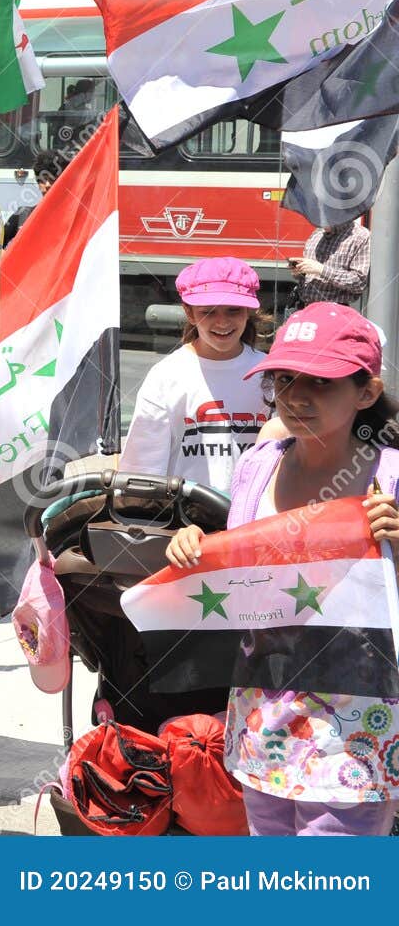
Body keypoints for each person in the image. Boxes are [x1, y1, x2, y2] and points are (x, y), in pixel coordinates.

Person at [165, 303, 399, 835]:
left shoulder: (391, 474)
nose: (296, 396)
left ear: (366, 392)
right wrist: (196, 546)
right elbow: (240, 564)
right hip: (262, 706)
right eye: (284, 378)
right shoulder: (258, 464)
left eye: (320, 381)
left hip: (359, 717)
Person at [118, 258, 269, 492]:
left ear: (249, 310)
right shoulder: (166, 376)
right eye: (208, 312)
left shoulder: (270, 373)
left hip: (255, 520)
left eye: (233, 310)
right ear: (189, 313)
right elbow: (143, 471)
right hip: (184, 521)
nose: (222, 321)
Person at [290, 219, 370, 311]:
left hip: (334, 311)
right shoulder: (317, 234)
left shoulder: (361, 236)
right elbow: (309, 276)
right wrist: (300, 271)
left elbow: (359, 282)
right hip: (304, 308)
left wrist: (321, 270)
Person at [3, 149, 65, 246]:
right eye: (44, 179)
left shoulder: (73, 220)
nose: (48, 184)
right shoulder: (22, 216)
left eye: (53, 179)